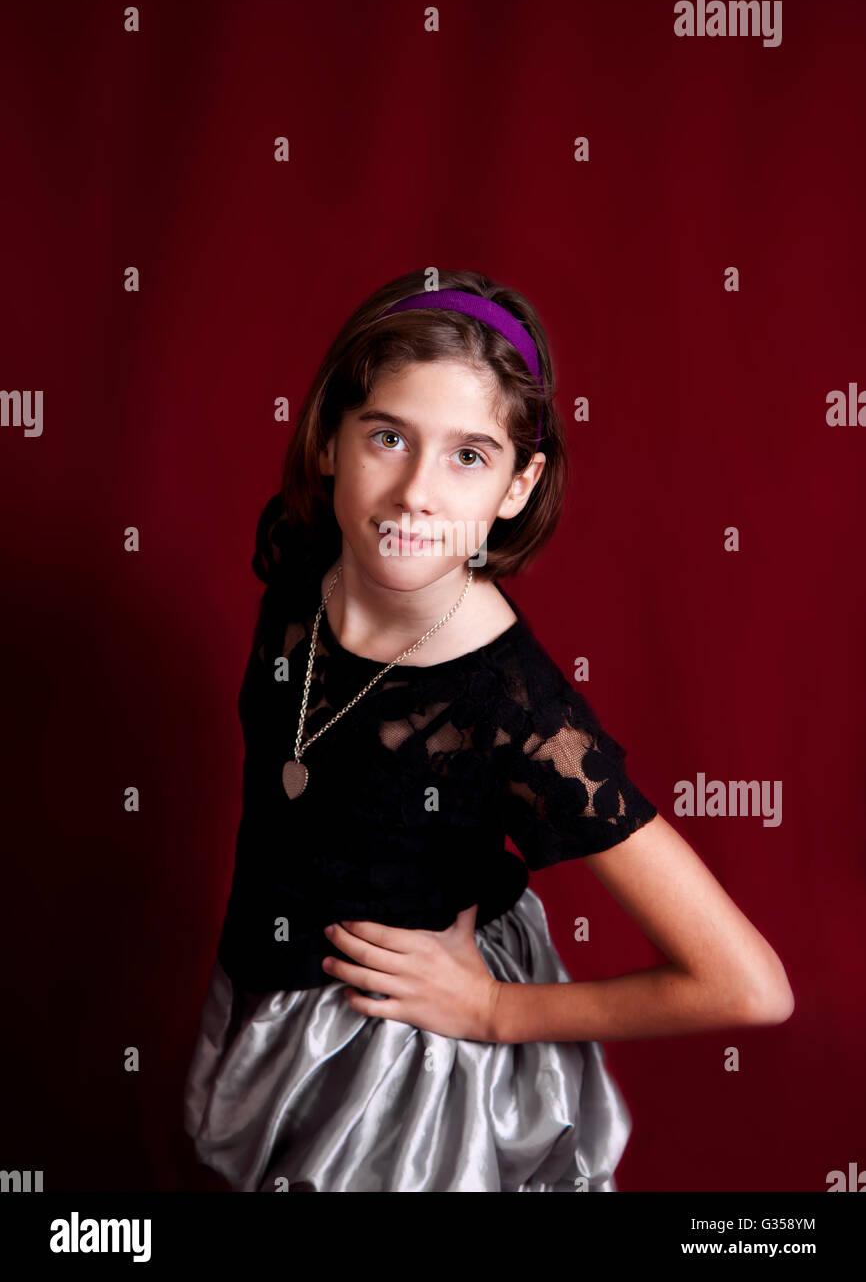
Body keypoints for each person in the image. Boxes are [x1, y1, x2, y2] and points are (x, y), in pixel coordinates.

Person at [182, 268, 794, 1193]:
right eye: (388, 437)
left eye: (468, 456)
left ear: (518, 484)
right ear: (328, 444)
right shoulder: (309, 568)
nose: (414, 495)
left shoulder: (511, 703)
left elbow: (749, 986)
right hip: (271, 1027)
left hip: (404, 1088)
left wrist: (497, 1010)